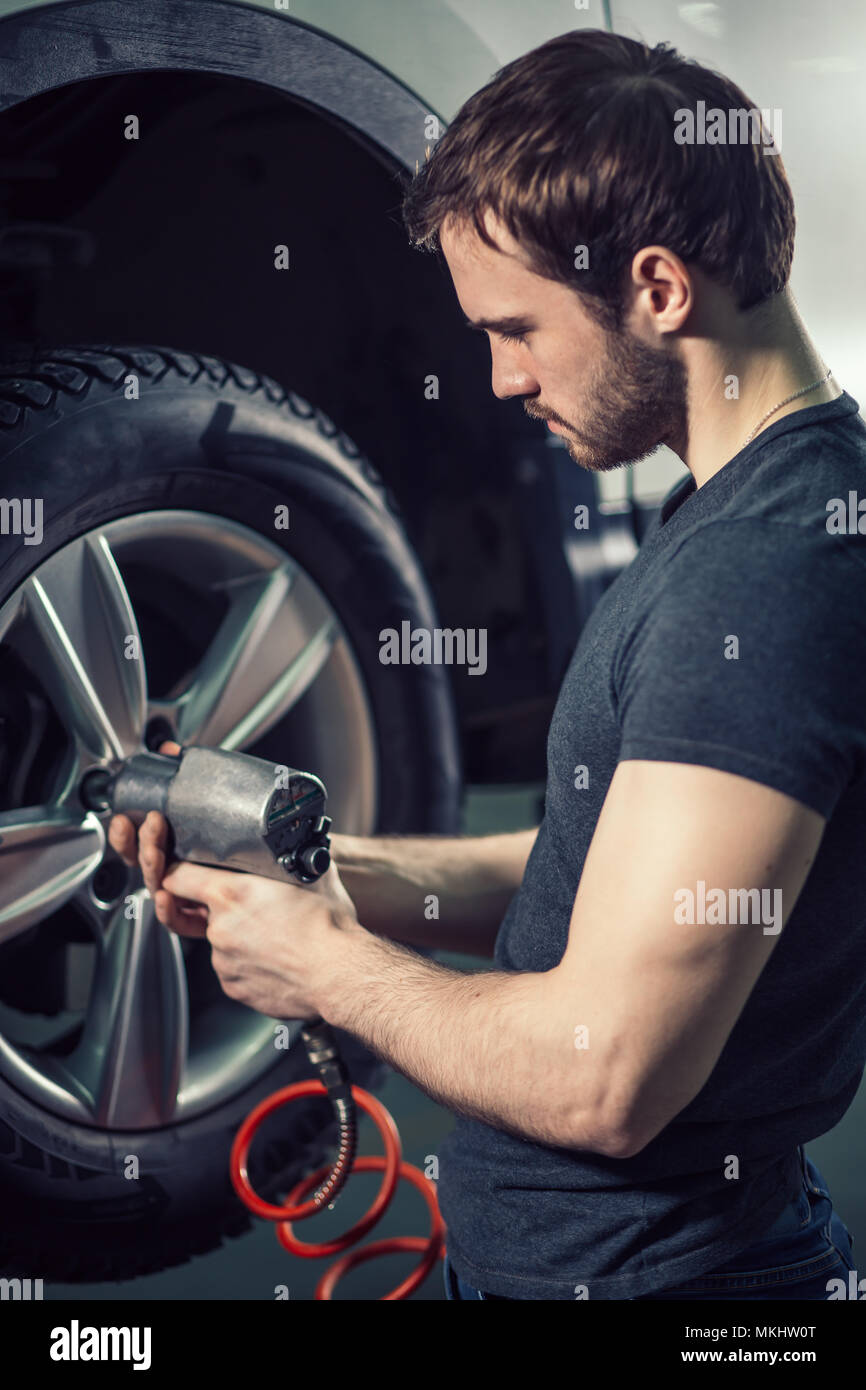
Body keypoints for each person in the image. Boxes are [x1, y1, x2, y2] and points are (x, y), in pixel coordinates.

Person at [110, 29, 866, 1301]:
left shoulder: (766, 570)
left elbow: (603, 1071)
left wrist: (323, 966)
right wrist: (321, 873)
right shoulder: (742, 515)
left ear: (660, 288)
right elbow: (602, 865)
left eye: (516, 329)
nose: (501, 379)